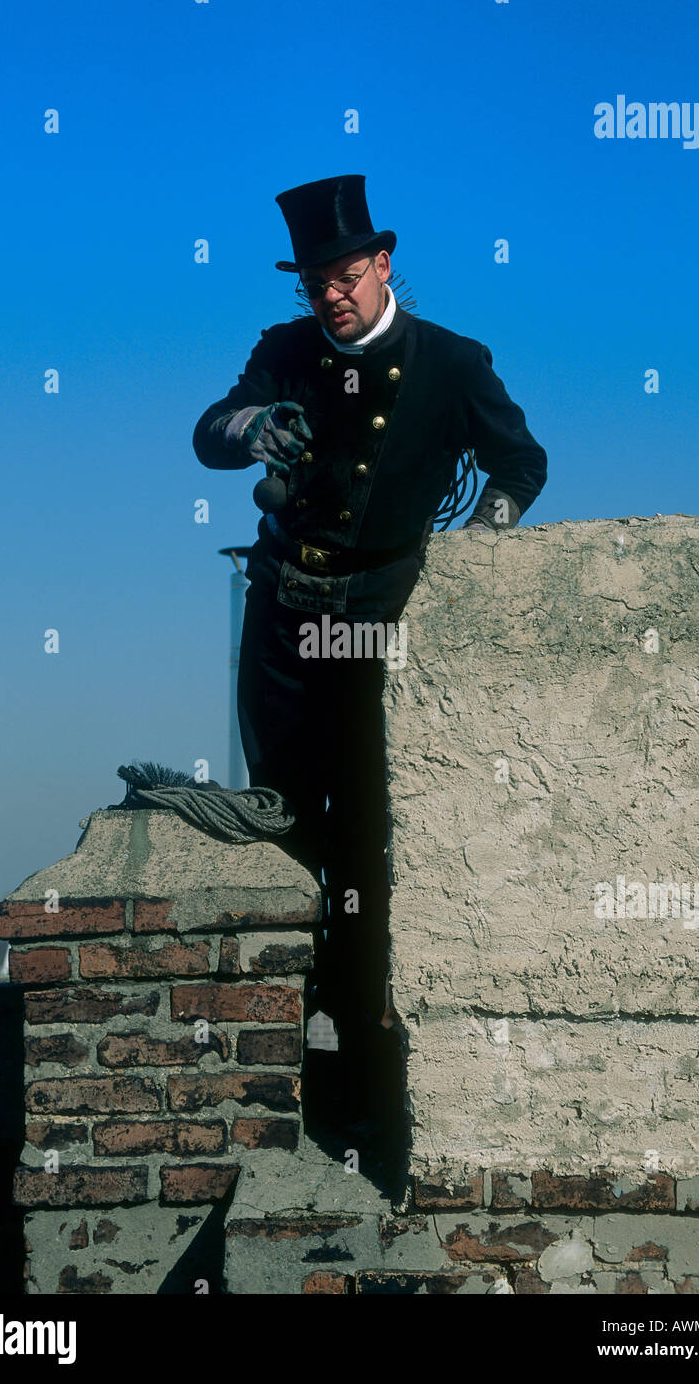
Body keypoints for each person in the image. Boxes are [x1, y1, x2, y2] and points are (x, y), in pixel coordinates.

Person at [192, 174, 547, 1096]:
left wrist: (484, 545)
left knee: (364, 823)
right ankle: (277, 1028)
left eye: (344, 276)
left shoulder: (451, 362)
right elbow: (209, 433)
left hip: (374, 617)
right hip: (281, 608)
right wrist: (254, 422)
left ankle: (361, 1029)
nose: (331, 297)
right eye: (315, 284)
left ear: (382, 265)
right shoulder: (285, 350)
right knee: (276, 809)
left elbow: (519, 460)